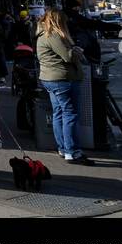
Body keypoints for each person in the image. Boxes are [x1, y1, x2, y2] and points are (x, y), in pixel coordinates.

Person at [36, 9, 94, 165]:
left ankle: (63, 148)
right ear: (57, 21)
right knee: (70, 114)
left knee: (59, 113)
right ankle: (72, 151)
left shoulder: (42, 35)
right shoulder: (53, 36)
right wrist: (76, 50)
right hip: (62, 79)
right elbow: (67, 57)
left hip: (51, 78)